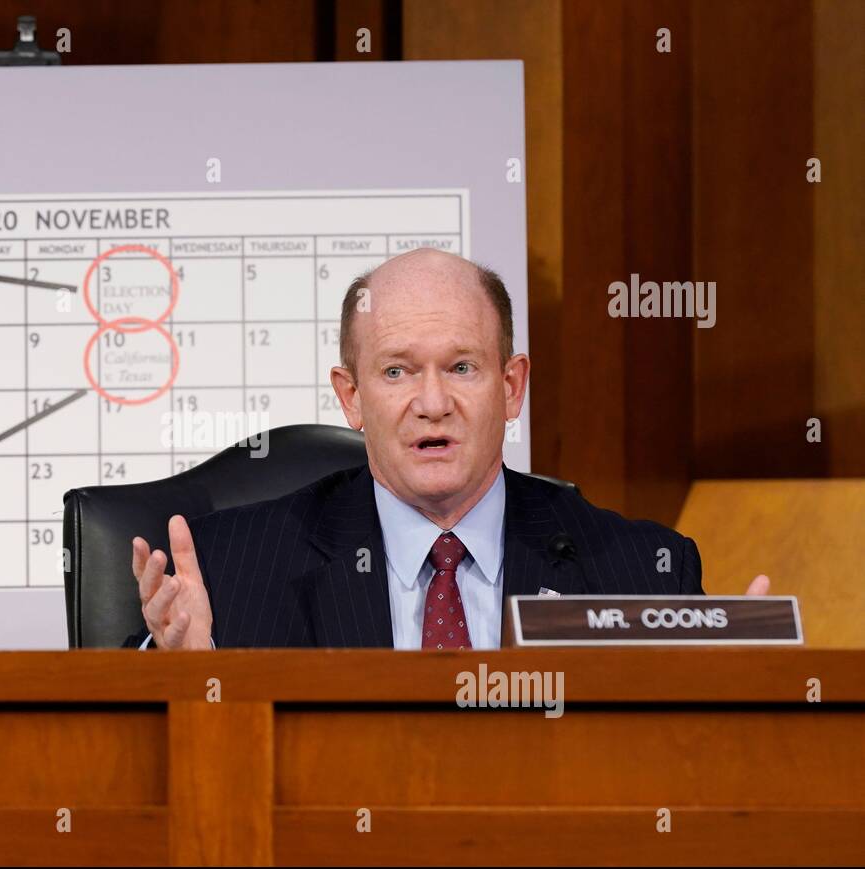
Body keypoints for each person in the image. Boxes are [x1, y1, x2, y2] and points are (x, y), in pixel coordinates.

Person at [128, 248, 769, 650]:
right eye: (397, 372)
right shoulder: (231, 570)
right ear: (350, 397)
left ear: (512, 386)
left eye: (462, 367)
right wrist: (185, 677)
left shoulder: (642, 575)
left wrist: (735, 706)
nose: (432, 403)